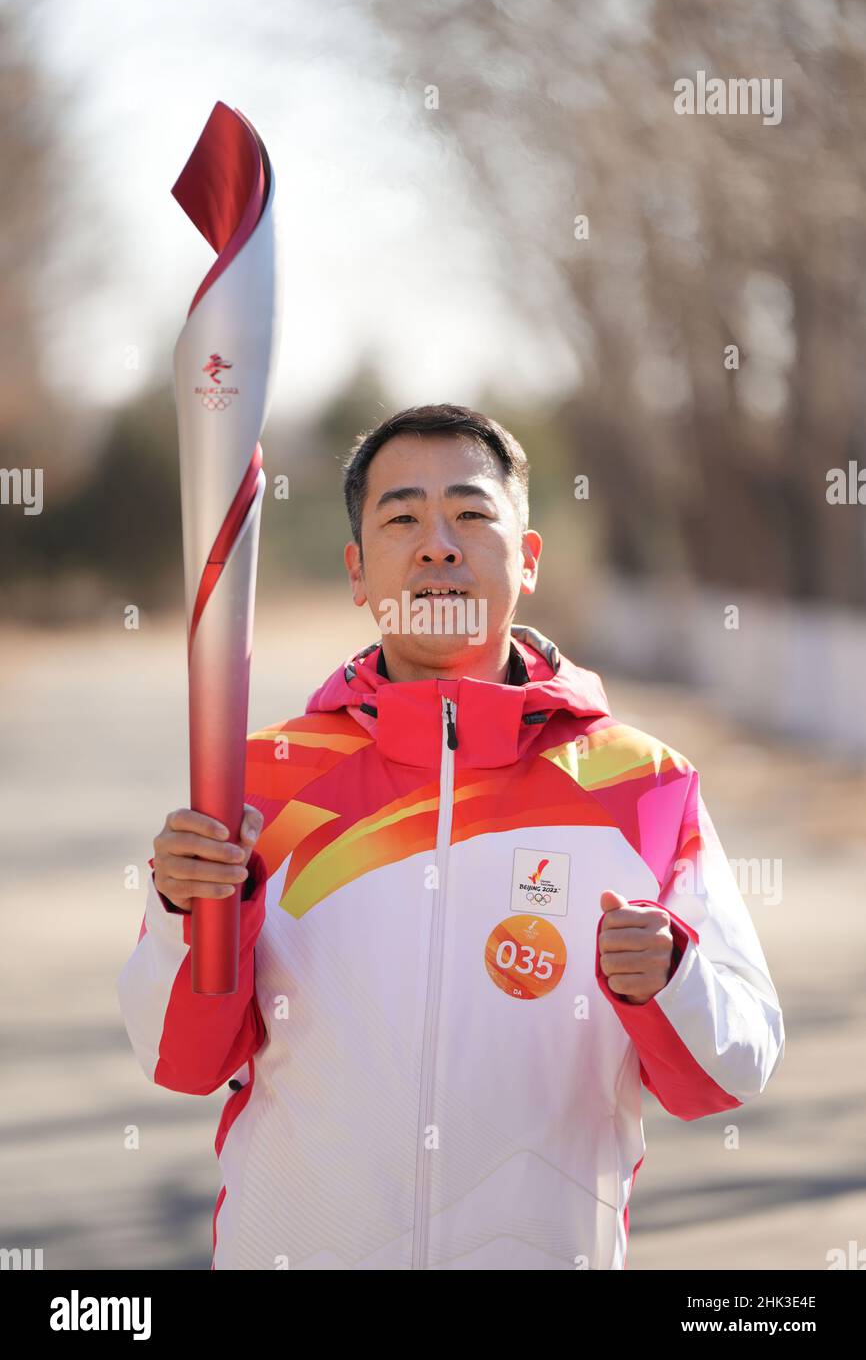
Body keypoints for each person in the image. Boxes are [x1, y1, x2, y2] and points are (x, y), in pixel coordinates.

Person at [117, 403, 785, 1271]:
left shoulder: (644, 787)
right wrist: (184, 912)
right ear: (358, 571)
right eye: (401, 519)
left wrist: (674, 977)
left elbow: (736, 1066)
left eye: (471, 514)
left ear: (529, 558)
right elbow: (178, 1057)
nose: (438, 544)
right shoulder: (261, 780)